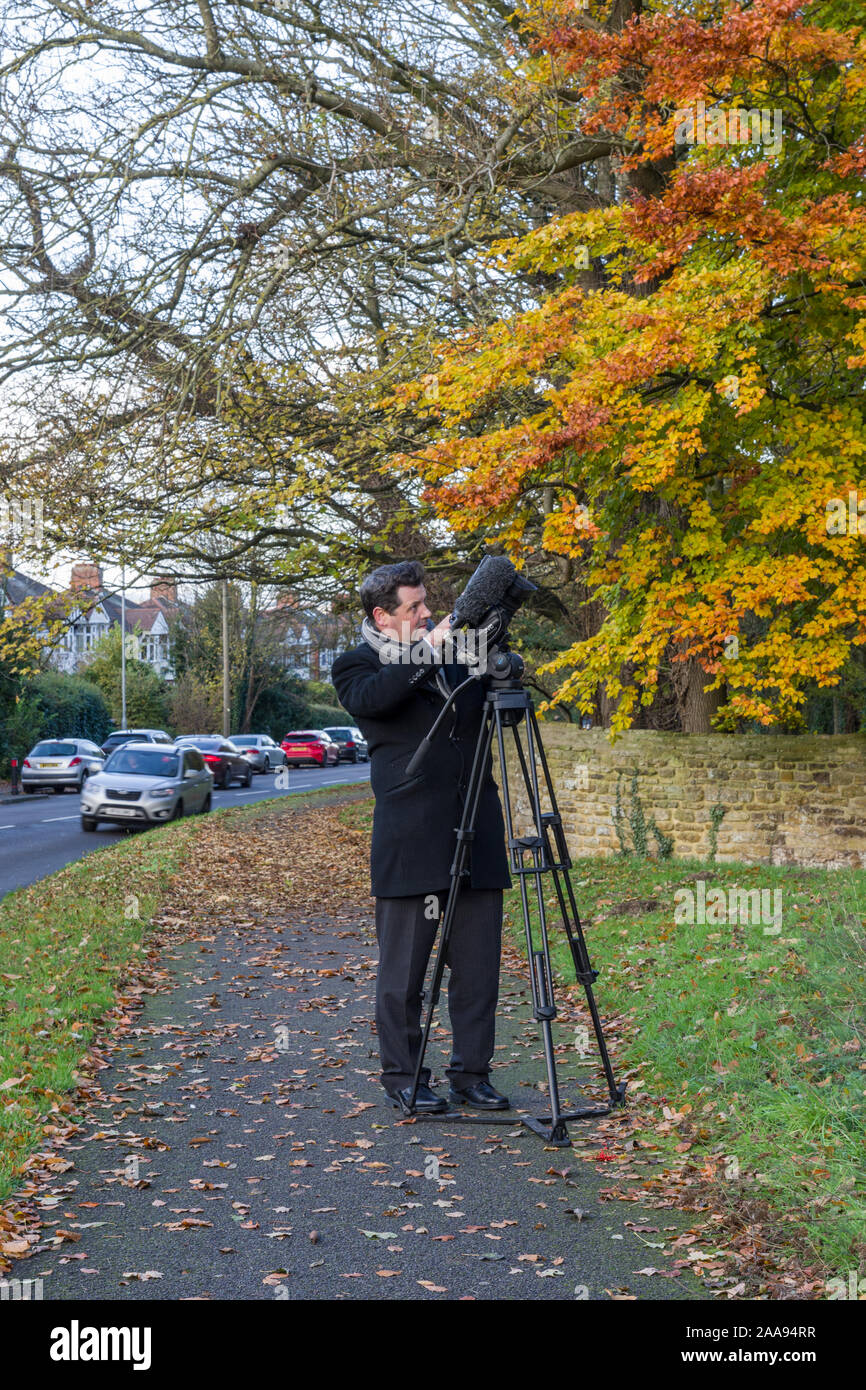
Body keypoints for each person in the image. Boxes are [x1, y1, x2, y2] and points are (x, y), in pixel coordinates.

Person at [331, 560, 512, 1114]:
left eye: (427, 603)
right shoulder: (355, 665)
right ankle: (404, 1077)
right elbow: (378, 699)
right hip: (411, 838)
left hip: (475, 826)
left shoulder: (454, 651)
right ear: (383, 617)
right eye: (414, 607)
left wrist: (501, 662)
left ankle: (471, 1075)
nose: (428, 613)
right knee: (403, 974)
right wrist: (433, 647)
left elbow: (499, 705)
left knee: (478, 970)